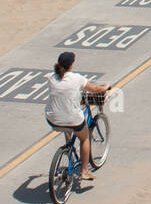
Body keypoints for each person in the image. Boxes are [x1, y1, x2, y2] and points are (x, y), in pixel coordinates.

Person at [44, 51, 111, 180]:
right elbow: (95, 89)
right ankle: (84, 171)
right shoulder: (77, 78)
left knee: (65, 121)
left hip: (52, 119)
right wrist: (105, 87)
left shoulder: (52, 77)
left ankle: (68, 147)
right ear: (71, 65)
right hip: (71, 119)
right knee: (84, 138)